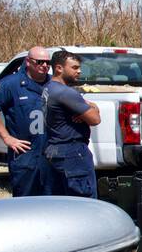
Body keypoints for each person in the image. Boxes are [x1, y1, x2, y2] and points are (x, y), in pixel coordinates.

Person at [0, 47, 52, 197]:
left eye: (48, 62)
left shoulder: (54, 83)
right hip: (26, 155)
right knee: (25, 202)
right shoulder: (10, 84)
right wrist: (7, 138)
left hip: (52, 155)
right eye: (40, 62)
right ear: (28, 62)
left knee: (53, 202)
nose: (44, 65)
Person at [43, 49, 100, 198]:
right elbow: (95, 119)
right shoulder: (65, 93)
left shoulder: (48, 88)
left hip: (54, 148)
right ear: (59, 68)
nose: (79, 71)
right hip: (72, 152)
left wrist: (86, 108)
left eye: (79, 67)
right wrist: (92, 107)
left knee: (61, 201)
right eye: (74, 67)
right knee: (83, 201)